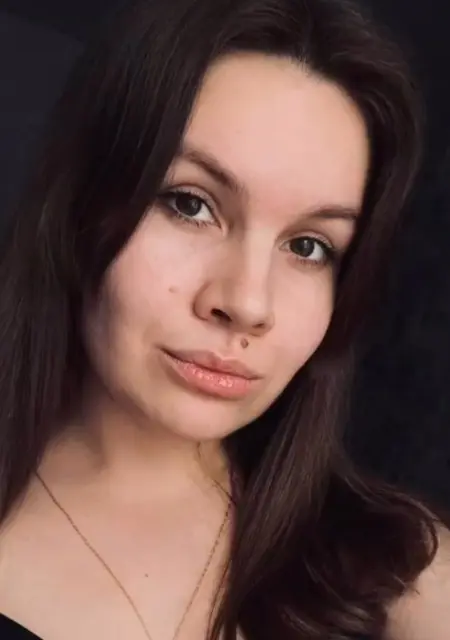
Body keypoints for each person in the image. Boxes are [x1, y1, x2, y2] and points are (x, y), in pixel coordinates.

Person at [0, 0, 448, 638]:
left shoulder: (402, 575)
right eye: (190, 204)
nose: (247, 303)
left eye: (309, 246)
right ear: (82, 206)